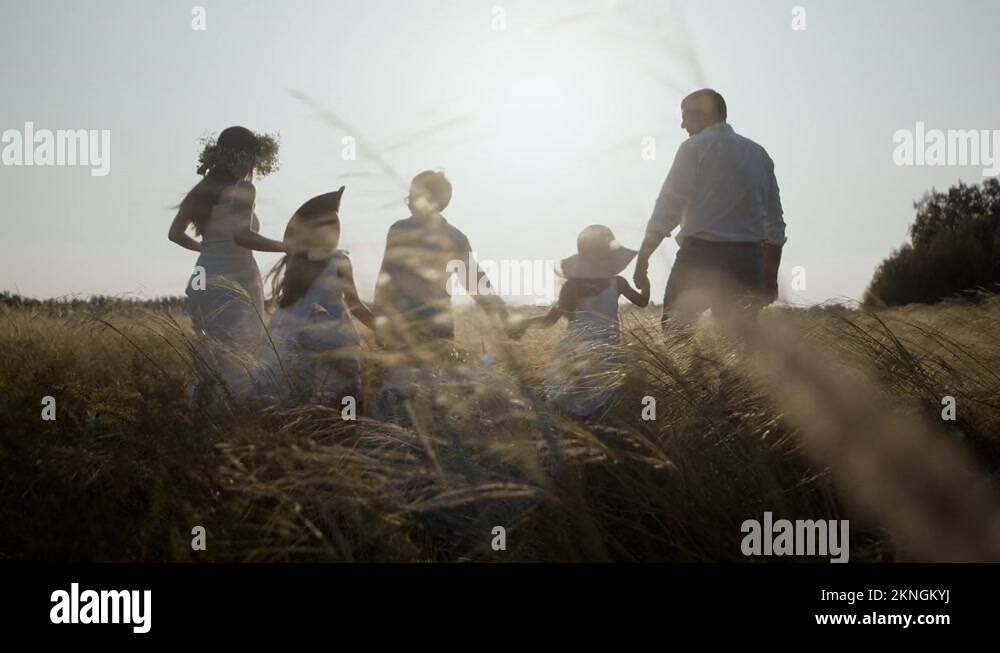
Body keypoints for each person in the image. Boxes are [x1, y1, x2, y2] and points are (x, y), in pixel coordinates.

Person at [633, 89, 787, 332]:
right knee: (740, 340)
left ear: (704, 115)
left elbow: (668, 207)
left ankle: (691, 372)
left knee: (676, 330)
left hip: (701, 256)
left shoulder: (693, 148)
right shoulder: (759, 154)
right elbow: (775, 225)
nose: (683, 124)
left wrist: (643, 258)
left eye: (686, 116)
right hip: (748, 260)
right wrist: (769, 277)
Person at [372, 170, 508, 421]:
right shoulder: (454, 236)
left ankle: (394, 445)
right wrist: (497, 309)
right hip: (432, 325)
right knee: (429, 393)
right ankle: (425, 446)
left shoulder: (402, 230)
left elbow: (386, 278)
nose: (410, 200)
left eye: (414, 195)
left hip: (411, 325)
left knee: (404, 394)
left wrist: (380, 319)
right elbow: (475, 281)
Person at [168, 126, 285, 402]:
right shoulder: (244, 188)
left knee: (210, 361)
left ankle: (203, 418)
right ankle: (234, 423)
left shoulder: (201, 189)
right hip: (236, 281)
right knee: (240, 357)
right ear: (244, 157)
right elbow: (243, 235)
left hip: (204, 276)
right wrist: (287, 247)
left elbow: (174, 234)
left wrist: (209, 249)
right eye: (253, 156)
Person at [509, 225, 650, 418]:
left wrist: (524, 323)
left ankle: (576, 438)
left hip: (575, 347)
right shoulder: (618, 282)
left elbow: (550, 320)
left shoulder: (572, 286)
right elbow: (642, 302)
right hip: (607, 347)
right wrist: (646, 283)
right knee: (601, 400)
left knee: (570, 400)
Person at [256, 187, 374, 403]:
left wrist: (380, 329)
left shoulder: (306, 260)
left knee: (307, 398)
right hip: (332, 338)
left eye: (336, 225)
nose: (335, 231)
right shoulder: (323, 261)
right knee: (335, 397)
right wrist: (381, 328)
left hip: (305, 338)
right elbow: (355, 305)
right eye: (328, 225)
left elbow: (354, 304)